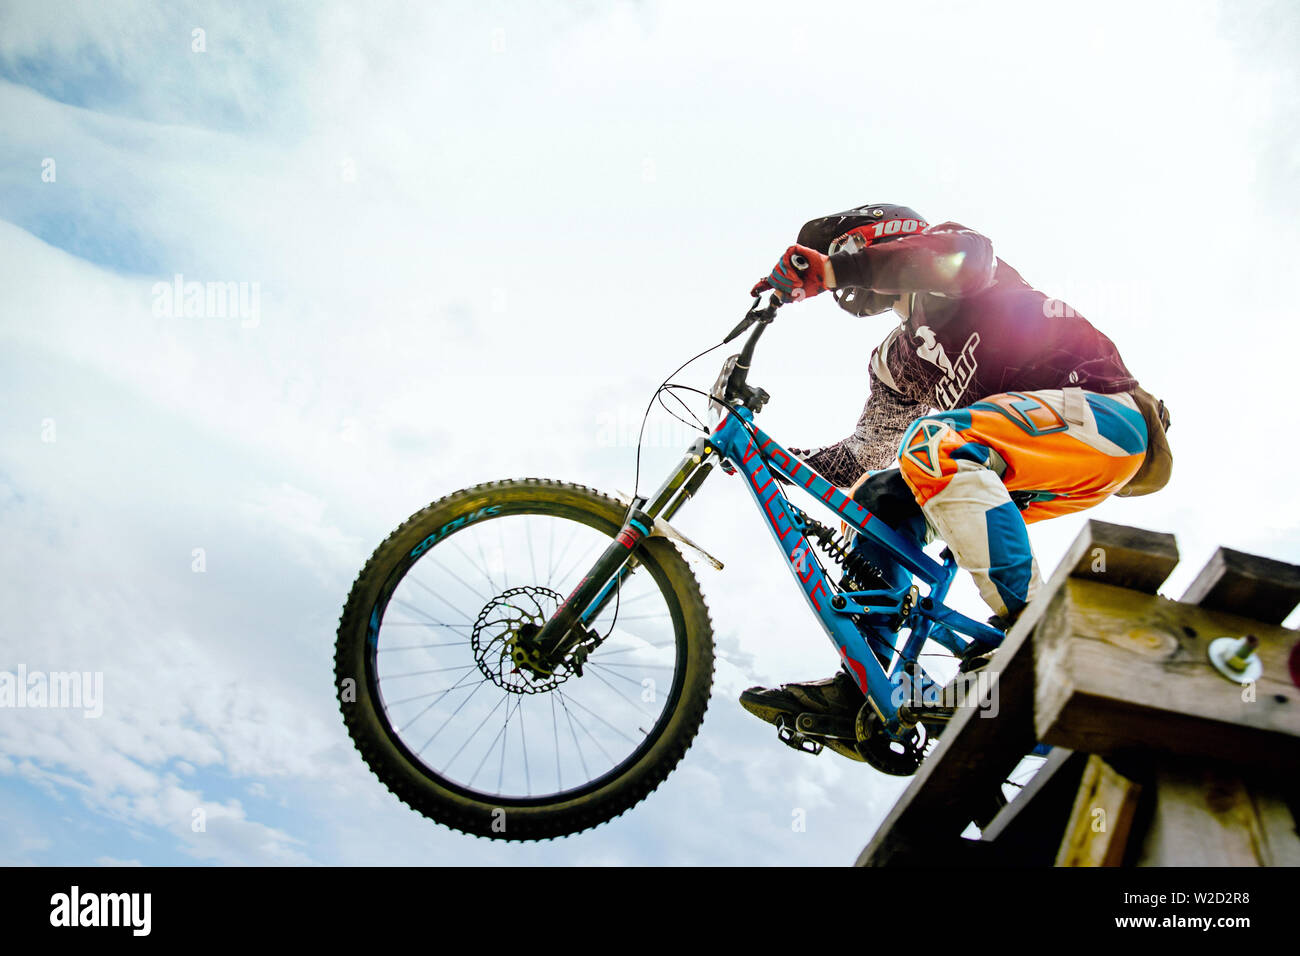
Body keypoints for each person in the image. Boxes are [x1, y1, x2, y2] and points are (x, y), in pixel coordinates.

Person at [739, 203, 1172, 750]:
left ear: (880, 238)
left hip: (1099, 417)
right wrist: (763, 452)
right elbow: (860, 454)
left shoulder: (954, 253)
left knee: (933, 443)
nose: (839, 271)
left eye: (843, 252)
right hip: (1019, 467)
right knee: (878, 499)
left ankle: (1026, 628)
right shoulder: (895, 361)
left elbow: (951, 265)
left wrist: (838, 270)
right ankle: (866, 686)